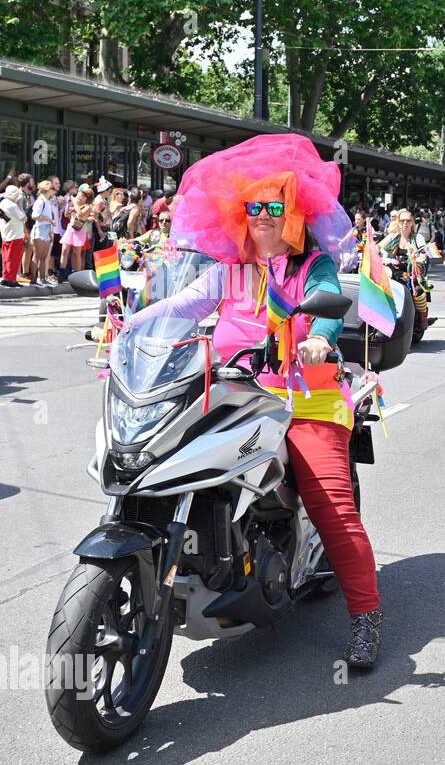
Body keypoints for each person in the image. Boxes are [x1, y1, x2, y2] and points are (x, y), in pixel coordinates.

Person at [127, 134, 383, 667]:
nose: (262, 216)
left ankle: (366, 618)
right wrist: (126, 326)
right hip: (231, 392)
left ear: (293, 213)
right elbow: (180, 305)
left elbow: (331, 312)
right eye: (253, 207)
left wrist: (320, 339)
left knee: (333, 508)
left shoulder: (312, 268)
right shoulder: (228, 270)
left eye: (273, 206)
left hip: (304, 398)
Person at [0, 185, 27, 287]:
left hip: (6, 235)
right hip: (15, 235)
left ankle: (6, 278)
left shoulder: (3, 202)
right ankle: (11, 280)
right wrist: (20, 205)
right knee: (14, 258)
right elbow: (24, 218)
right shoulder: (13, 205)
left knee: (6, 258)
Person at [28, 180, 57, 288]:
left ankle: (43, 278)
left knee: (44, 257)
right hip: (40, 229)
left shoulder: (46, 200)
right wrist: (49, 219)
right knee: (37, 256)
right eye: (52, 189)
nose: (54, 191)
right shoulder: (40, 201)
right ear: (48, 190)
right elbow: (35, 215)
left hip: (46, 229)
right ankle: (33, 279)